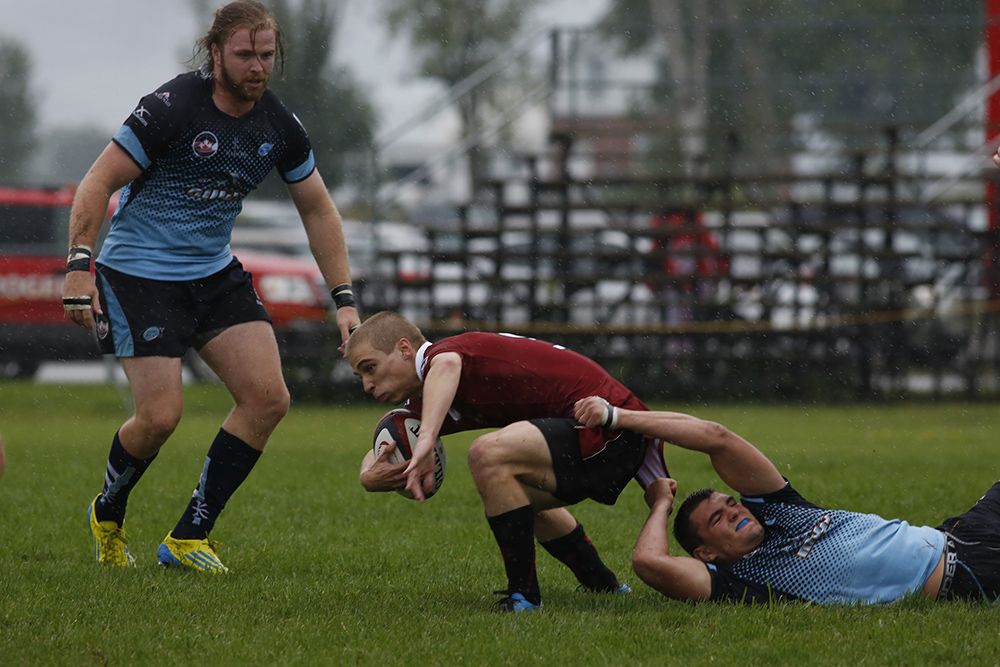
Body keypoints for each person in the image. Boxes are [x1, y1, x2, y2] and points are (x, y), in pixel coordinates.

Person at [64, 0, 360, 573]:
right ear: (216, 51)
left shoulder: (277, 125)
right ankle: (108, 509)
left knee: (269, 399)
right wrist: (80, 262)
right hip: (138, 273)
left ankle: (188, 536)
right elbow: (97, 181)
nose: (257, 66)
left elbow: (319, 209)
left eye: (267, 55)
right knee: (160, 418)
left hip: (213, 273)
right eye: (246, 54)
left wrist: (344, 300)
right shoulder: (173, 107)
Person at [346, 311, 669, 612]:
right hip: (599, 436)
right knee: (511, 492)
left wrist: (427, 438)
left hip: (608, 428)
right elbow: (393, 434)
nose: (367, 385)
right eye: (360, 375)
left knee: (487, 454)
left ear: (404, 349)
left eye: (369, 368)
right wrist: (368, 476)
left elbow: (446, 365)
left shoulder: (442, 356)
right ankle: (603, 586)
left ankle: (524, 597)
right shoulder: (429, 392)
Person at [572, 397, 1000, 604]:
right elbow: (651, 564)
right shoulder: (743, 582)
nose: (734, 510)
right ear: (706, 552)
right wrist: (659, 504)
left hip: (958, 533)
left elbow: (716, 437)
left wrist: (618, 416)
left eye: (731, 503)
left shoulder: (782, 510)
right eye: (718, 518)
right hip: (965, 575)